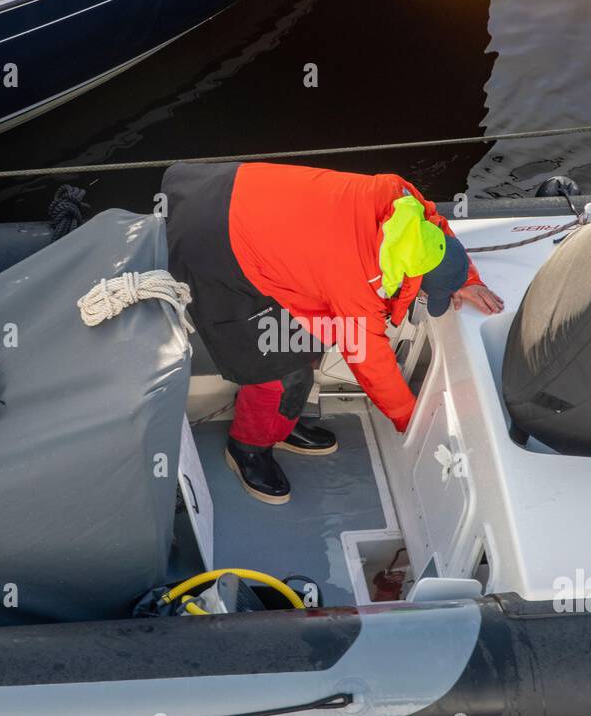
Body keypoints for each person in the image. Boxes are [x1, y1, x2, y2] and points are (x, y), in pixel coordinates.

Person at [163, 162, 504, 504]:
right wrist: (411, 419)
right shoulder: (359, 281)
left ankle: (279, 425)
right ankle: (247, 448)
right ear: (412, 280)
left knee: (298, 340)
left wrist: (464, 278)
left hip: (227, 188)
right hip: (210, 241)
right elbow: (370, 360)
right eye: (429, 293)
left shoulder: (397, 195)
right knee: (276, 375)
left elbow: (436, 226)